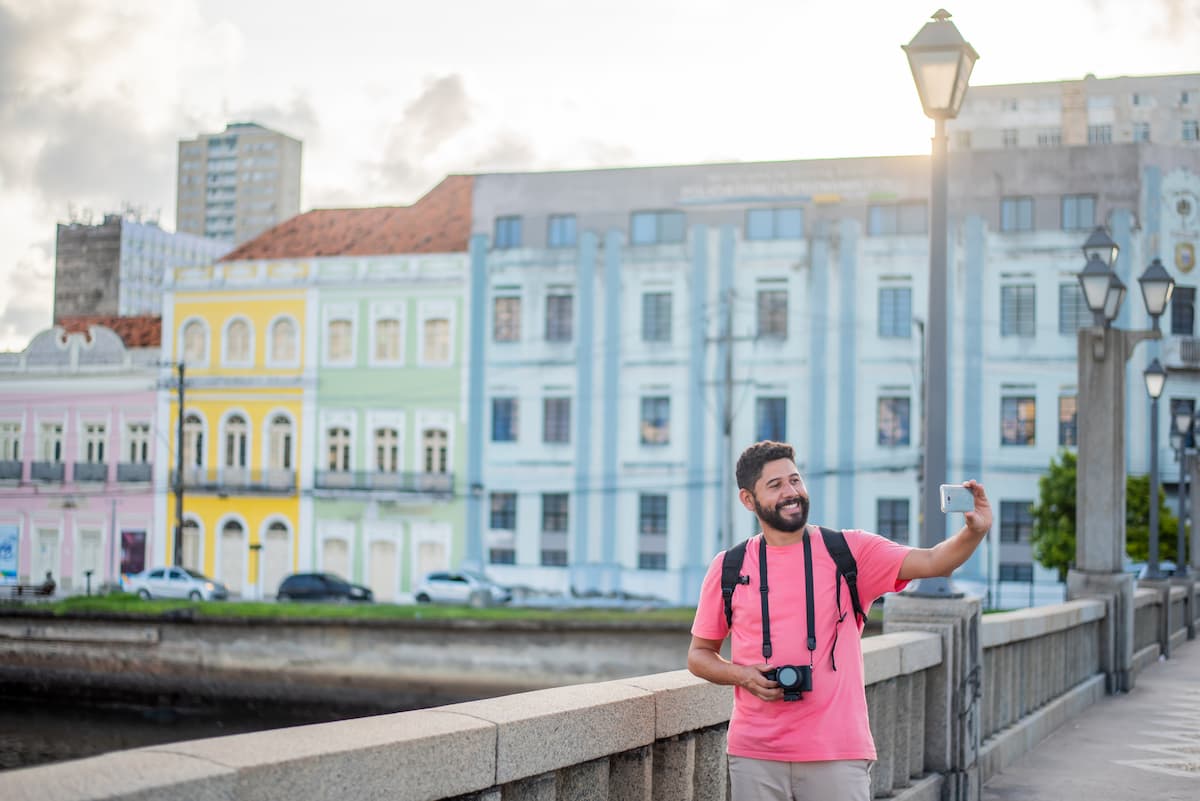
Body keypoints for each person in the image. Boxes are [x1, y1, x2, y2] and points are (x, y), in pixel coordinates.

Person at [688, 440, 992, 801]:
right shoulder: (729, 566)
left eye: (795, 480)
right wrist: (743, 675)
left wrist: (974, 531)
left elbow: (933, 562)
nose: (791, 492)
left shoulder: (850, 552)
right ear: (748, 500)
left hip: (837, 753)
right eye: (776, 485)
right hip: (755, 754)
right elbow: (699, 655)